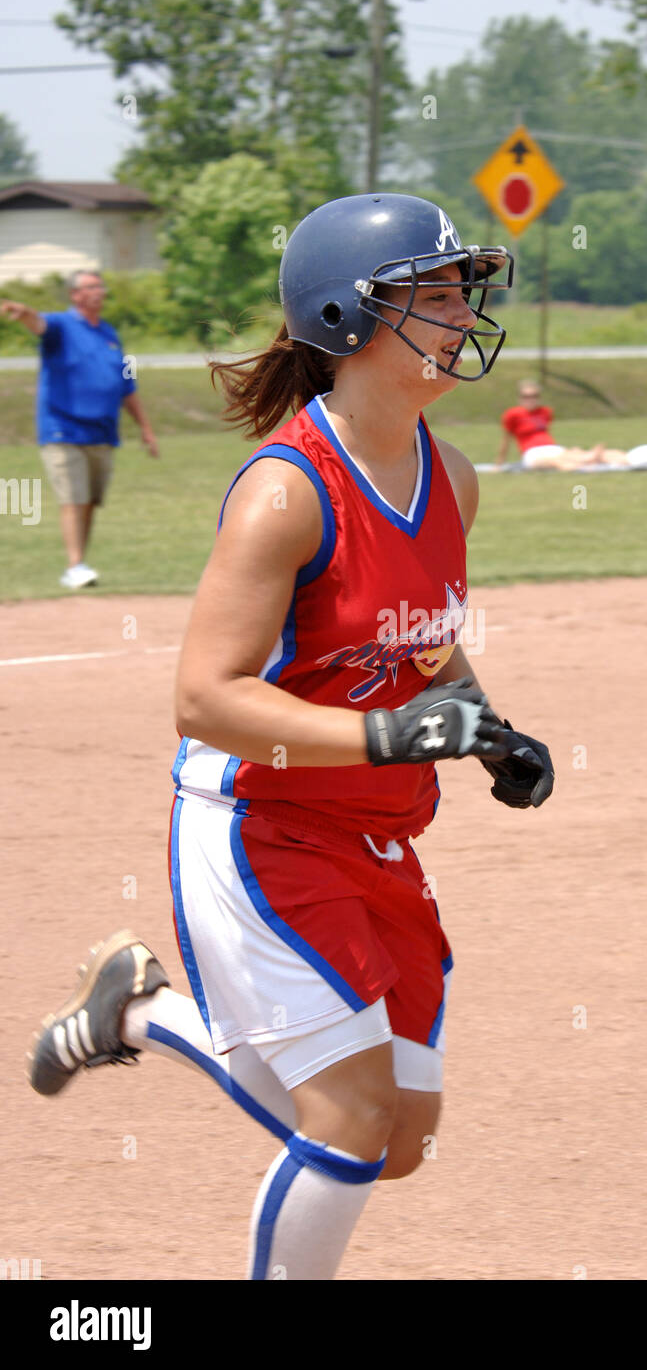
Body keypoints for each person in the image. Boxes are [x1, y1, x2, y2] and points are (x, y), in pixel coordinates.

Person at [27, 193, 555, 1281]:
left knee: (397, 1141)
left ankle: (139, 1011)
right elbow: (205, 699)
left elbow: (422, 643)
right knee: (351, 1121)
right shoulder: (286, 491)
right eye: (435, 289)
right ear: (347, 317)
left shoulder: (450, 477)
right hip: (261, 826)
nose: (464, 309)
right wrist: (384, 737)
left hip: (374, 837)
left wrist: (488, 729)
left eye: (465, 287)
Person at [0, 269, 158, 589]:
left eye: (100, 285)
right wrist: (24, 313)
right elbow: (38, 324)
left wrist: (145, 428)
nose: (99, 290)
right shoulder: (61, 325)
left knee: (88, 501)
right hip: (62, 429)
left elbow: (127, 384)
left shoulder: (111, 334)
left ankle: (80, 563)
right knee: (73, 497)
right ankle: (75, 565)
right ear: (75, 295)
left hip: (101, 431)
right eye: (91, 286)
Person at [496, 380, 621, 470]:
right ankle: (588, 459)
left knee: (571, 454)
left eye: (534, 396)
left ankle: (591, 458)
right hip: (531, 451)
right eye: (526, 396)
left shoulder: (545, 412)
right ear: (520, 398)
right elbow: (506, 441)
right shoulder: (512, 414)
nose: (531, 399)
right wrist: (499, 464)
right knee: (555, 461)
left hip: (551, 447)